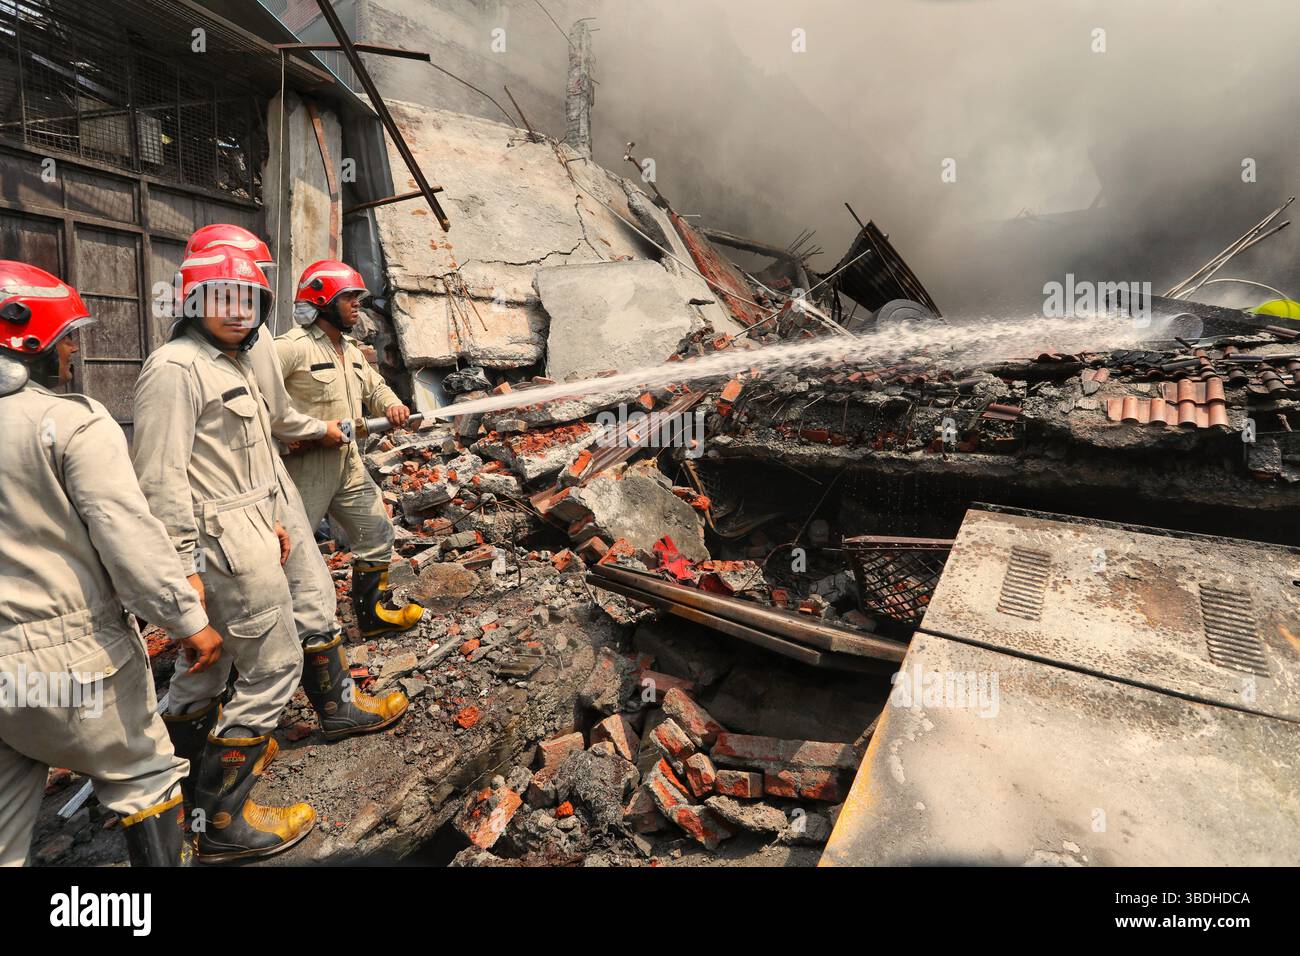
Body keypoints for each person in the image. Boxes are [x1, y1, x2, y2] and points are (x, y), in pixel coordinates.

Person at [0, 261, 222, 867]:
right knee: (144, 778)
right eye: (66, 335)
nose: (72, 350)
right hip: (67, 658)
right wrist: (185, 620)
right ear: (28, 341)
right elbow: (128, 536)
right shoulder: (71, 423)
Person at [178, 225, 408, 743]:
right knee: (254, 624)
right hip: (235, 505)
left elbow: (274, 417)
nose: (247, 299)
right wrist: (180, 565)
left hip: (274, 485)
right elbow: (168, 475)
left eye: (255, 284)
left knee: (314, 590)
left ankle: (337, 706)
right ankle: (202, 763)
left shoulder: (255, 346)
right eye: (234, 287)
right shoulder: (195, 365)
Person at [131, 246, 314, 862]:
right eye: (221, 298)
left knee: (207, 669)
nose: (237, 310)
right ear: (193, 303)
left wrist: (269, 520)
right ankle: (223, 821)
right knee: (272, 668)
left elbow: (242, 459)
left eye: (248, 299)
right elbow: (159, 481)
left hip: (247, 531)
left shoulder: (230, 363)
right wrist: (184, 571)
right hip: (218, 547)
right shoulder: (176, 369)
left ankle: (181, 790)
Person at [276, 259, 426, 638]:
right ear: (323, 302)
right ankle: (282, 639)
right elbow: (253, 397)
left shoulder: (352, 351)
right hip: (304, 470)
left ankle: (372, 617)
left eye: (358, 297)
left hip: (348, 464)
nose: (357, 305)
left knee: (376, 531)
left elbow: (375, 389)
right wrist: (281, 437)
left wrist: (391, 405)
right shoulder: (290, 349)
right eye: (349, 298)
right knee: (287, 554)